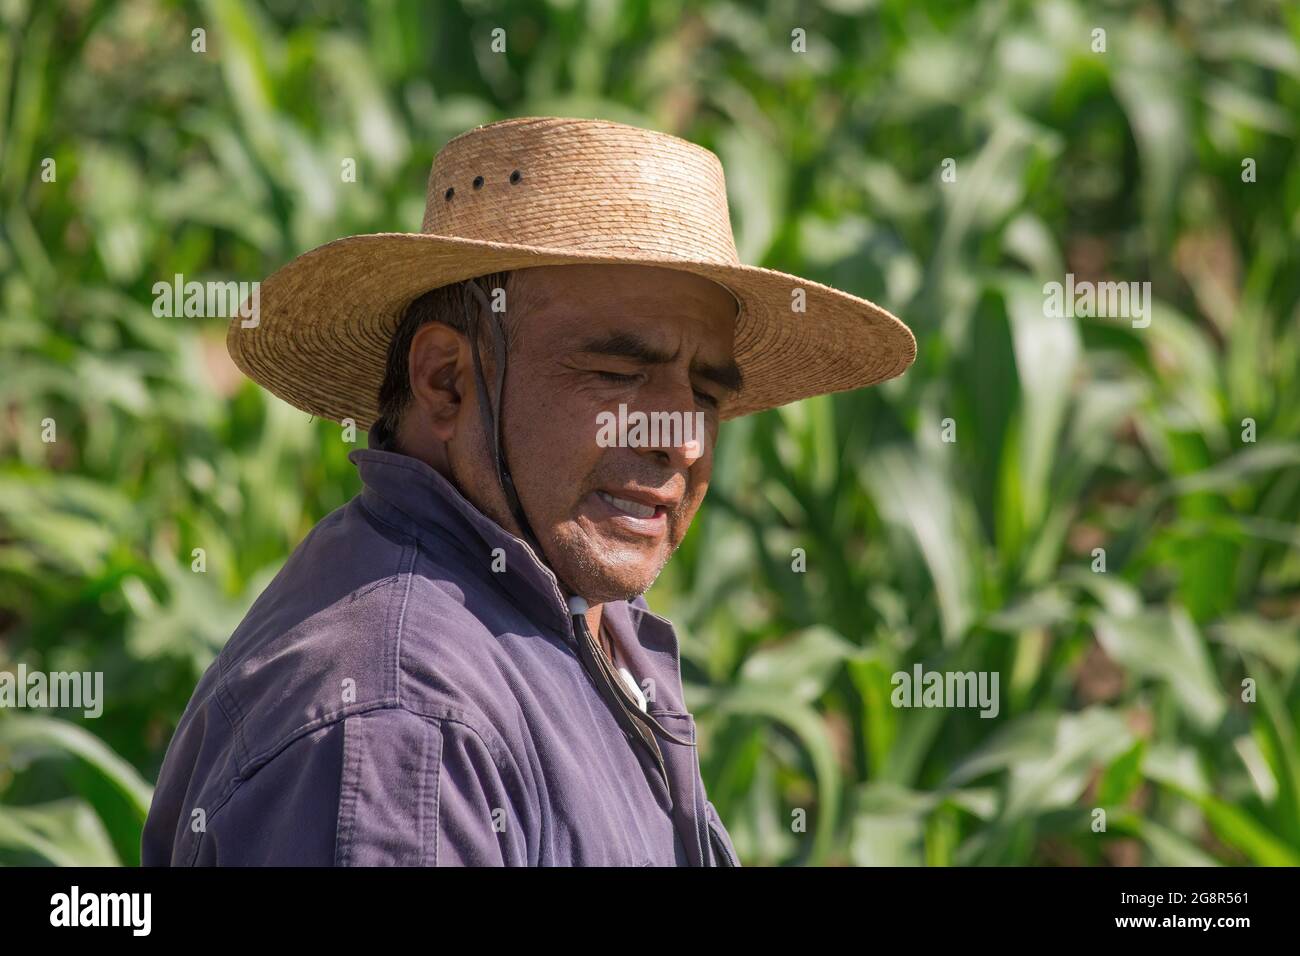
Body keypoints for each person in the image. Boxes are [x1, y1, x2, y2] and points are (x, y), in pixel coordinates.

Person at [142, 116, 915, 865]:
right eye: (616, 376)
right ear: (446, 382)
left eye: (706, 395)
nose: (680, 440)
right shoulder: (401, 726)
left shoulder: (570, 618)